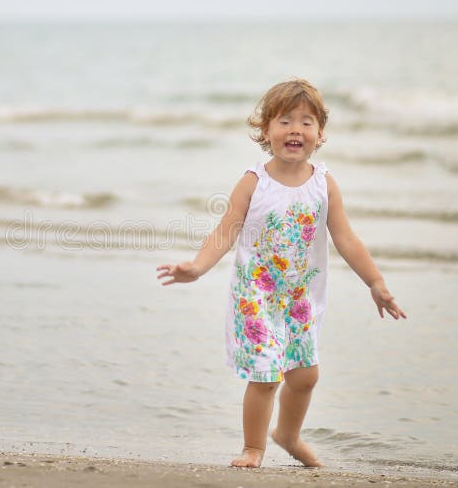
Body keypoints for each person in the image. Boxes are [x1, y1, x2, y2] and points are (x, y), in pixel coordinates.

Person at [156, 78, 407, 469]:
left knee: (305, 376)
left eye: (307, 122)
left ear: (320, 134)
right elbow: (227, 229)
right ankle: (253, 448)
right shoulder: (254, 181)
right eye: (285, 120)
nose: (295, 129)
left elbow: (346, 238)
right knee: (266, 376)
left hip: (299, 299)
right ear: (266, 130)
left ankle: (287, 435)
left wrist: (375, 282)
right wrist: (198, 267)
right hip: (255, 293)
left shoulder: (324, 184)